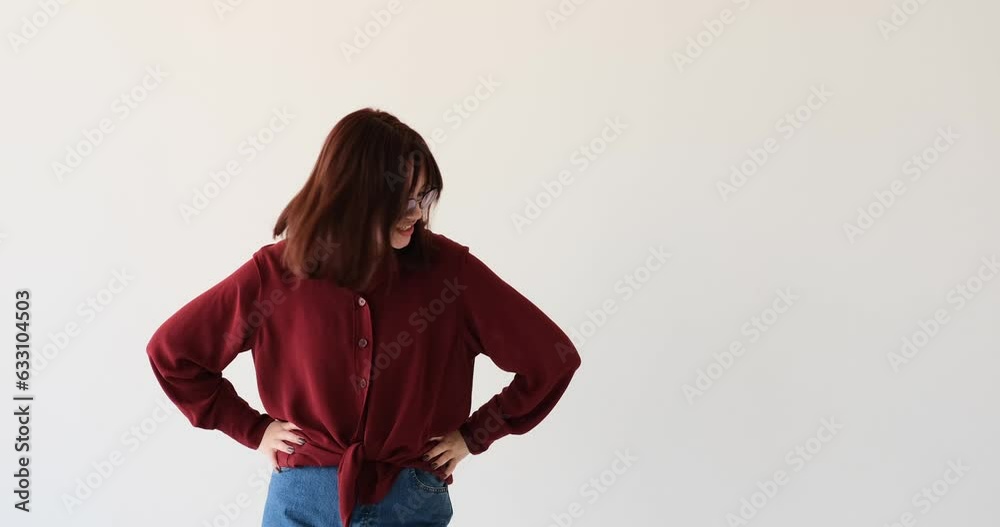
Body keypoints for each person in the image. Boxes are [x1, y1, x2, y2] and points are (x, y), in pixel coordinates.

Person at [145, 107, 583, 527]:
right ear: (356, 196)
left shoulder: (452, 274)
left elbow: (551, 358)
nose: (419, 213)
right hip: (302, 503)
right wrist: (252, 429)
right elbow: (174, 354)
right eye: (406, 199)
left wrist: (474, 435)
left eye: (426, 197)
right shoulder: (276, 275)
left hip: (410, 500)